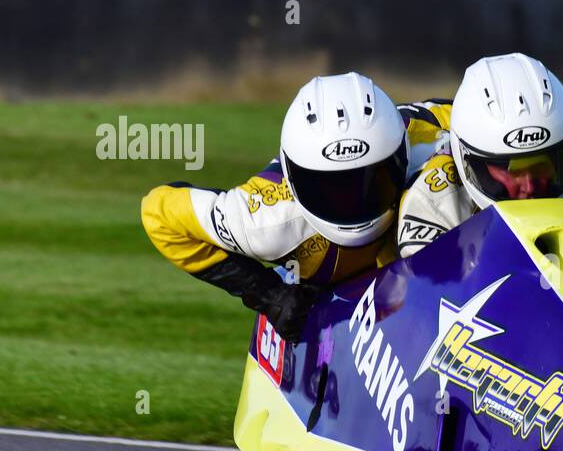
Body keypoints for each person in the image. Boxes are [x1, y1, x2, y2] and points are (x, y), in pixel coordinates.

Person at [141, 72, 425, 341]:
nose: (351, 202)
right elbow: (158, 212)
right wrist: (268, 294)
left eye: (371, 182)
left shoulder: (431, 143)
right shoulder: (265, 219)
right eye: (329, 189)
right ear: (292, 178)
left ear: (401, 155)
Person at [396, 53, 563, 257]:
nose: (529, 187)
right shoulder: (433, 204)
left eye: (542, 165)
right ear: (467, 160)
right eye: (512, 171)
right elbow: (424, 304)